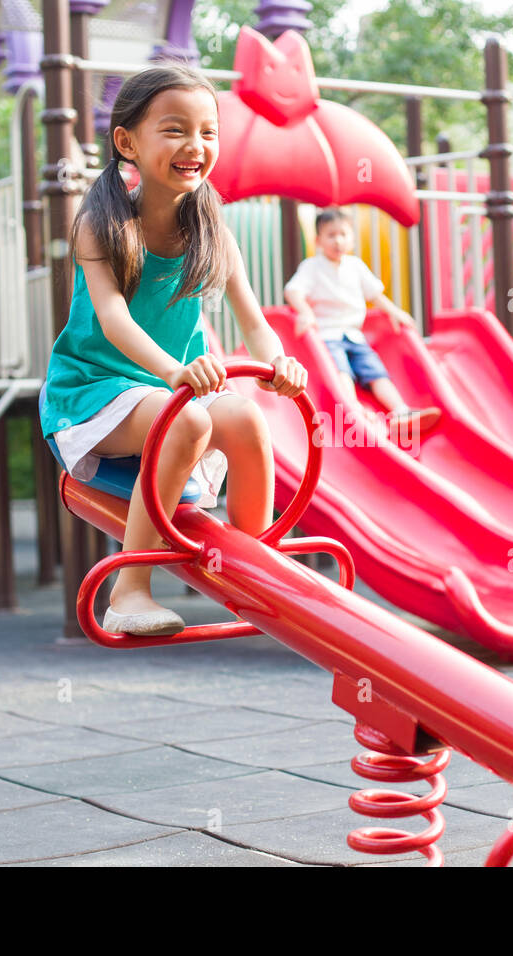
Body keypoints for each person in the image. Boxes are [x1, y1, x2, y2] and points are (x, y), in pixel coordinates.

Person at [40, 63, 307, 637]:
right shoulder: (103, 225)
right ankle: (129, 589)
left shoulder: (212, 229)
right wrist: (175, 370)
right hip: (92, 390)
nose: (195, 145)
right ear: (126, 141)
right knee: (183, 420)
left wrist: (277, 362)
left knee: (244, 418)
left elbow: (254, 323)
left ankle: (254, 570)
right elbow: (112, 319)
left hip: (169, 389)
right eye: (175, 129)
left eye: (208, 132)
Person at [284, 207, 440, 441]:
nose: (338, 241)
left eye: (343, 234)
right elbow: (292, 291)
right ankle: (354, 410)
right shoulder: (312, 267)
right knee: (342, 370)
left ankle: (400, 411)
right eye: (331, 235)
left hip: (354, 336)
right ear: (317, 240)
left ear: (352, 239)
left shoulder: (355, 266)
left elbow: (375, 294)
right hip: (328, 336)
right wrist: (306, 312)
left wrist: (395, 312)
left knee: (375, 371)